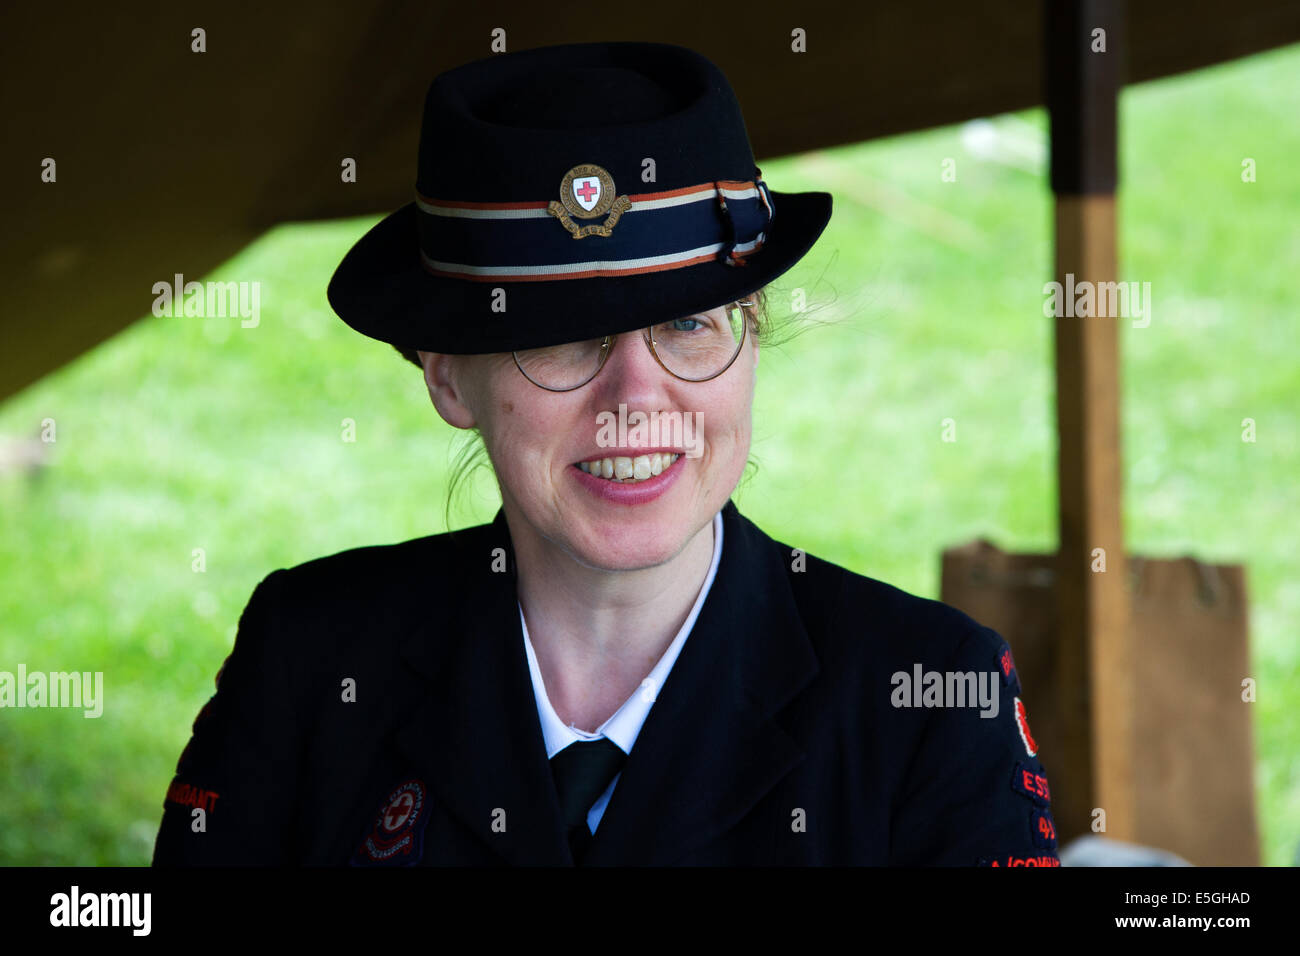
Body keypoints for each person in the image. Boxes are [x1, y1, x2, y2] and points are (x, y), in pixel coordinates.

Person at [152, 40, 1060, 867]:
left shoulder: (931, 699)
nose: (636, 398)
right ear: (447, 379)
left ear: (752, 341)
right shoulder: (310, 660)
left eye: (689, 323)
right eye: (563, 337)